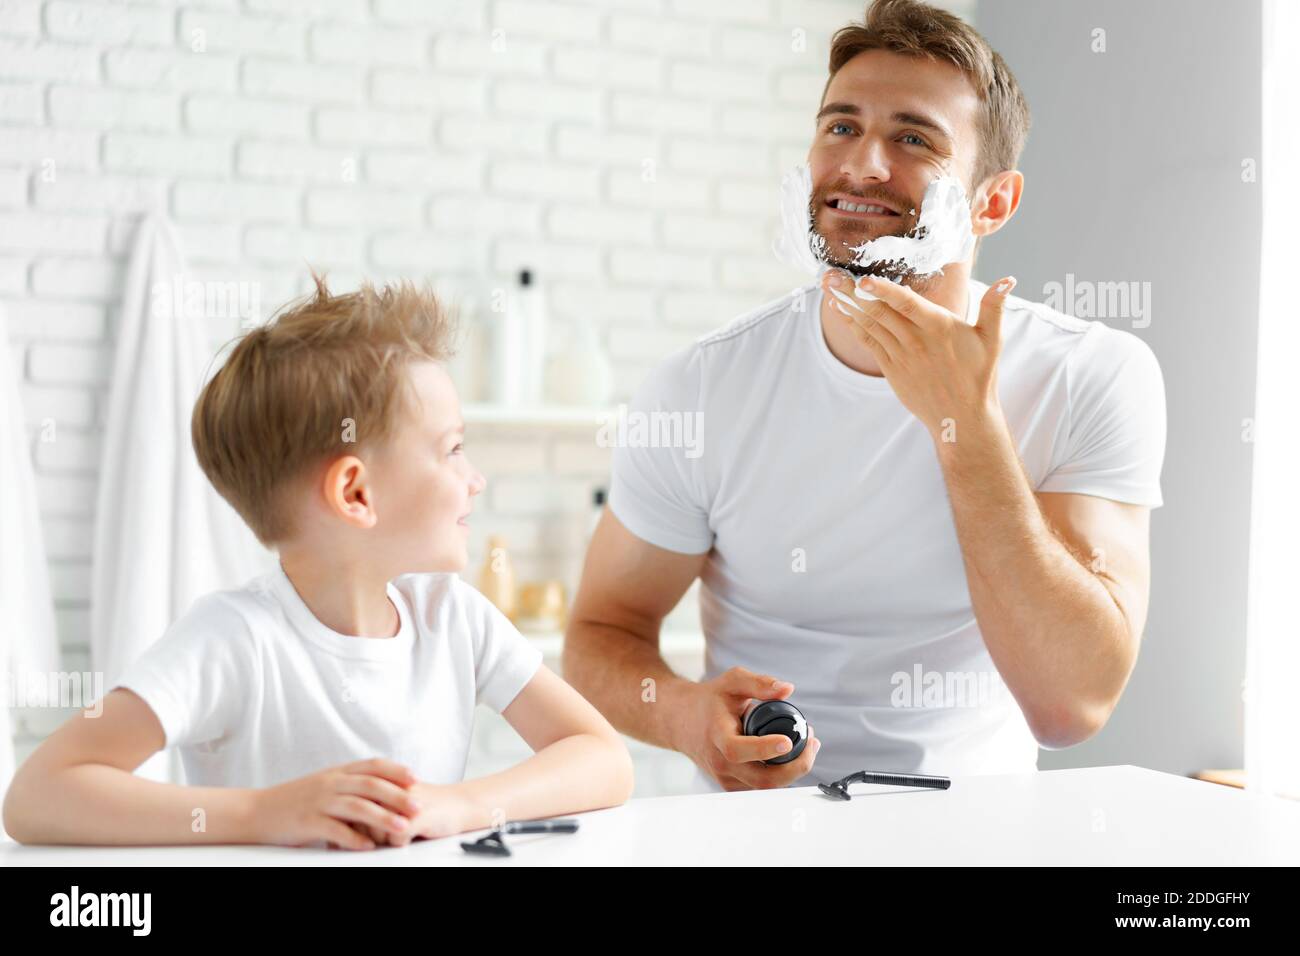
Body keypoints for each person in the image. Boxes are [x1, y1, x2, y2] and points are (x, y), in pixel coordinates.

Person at [4, 274, 633, 848]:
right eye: (453, 450)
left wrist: (457, 805)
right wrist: (262, 814)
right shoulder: (233, 639)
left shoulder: (456, 620)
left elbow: (604, 757)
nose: (476, 479)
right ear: (355, 493)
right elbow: (36, 795)